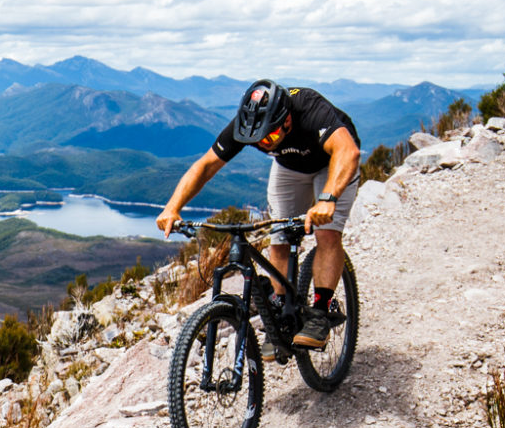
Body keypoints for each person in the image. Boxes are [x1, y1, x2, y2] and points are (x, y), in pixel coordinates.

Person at [154, 80, 361, 350]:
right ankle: (284, 312)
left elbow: (348, 151)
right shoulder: (246, 124)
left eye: (270, 137)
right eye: (257, 140)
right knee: (280, 238)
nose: (264, 144)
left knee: (327, 233)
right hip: (290, 168)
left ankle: (320, 314)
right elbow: (206, 165)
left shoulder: (309, 108)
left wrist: (328, 198)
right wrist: (172, 207)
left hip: (332, 163)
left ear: (287, 120)